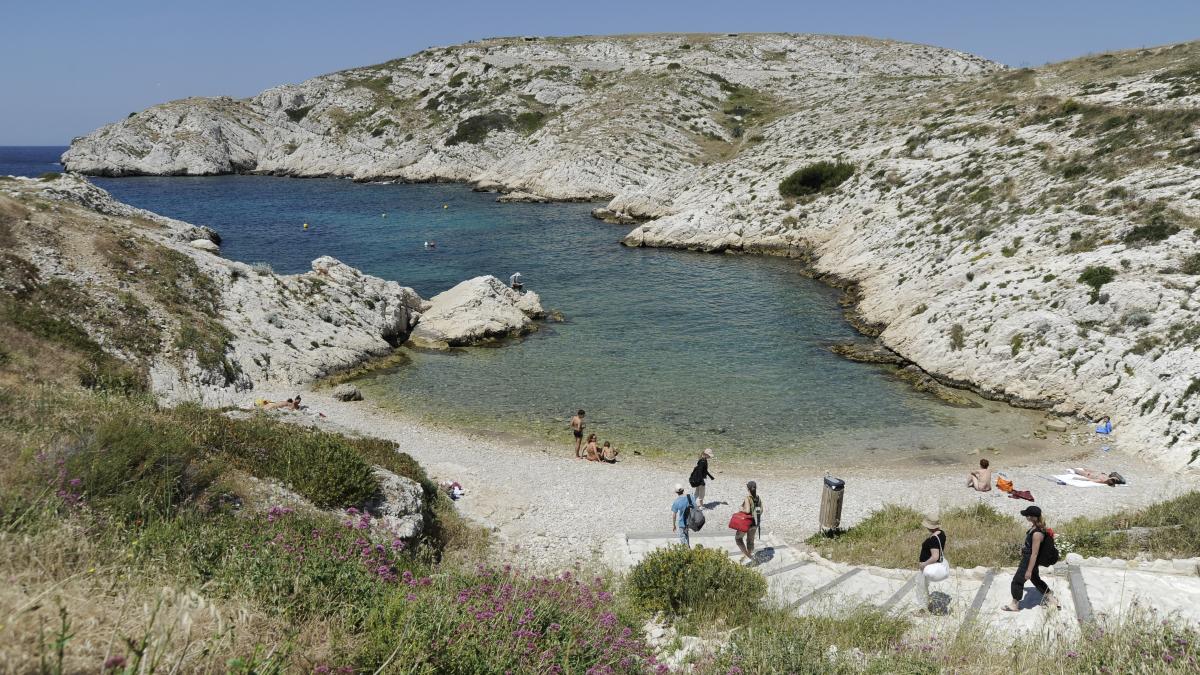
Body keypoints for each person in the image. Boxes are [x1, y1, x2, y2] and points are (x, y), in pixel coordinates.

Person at [1004, 505, 1059, 612]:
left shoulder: (1037, 533)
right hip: (1029, 558)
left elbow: (1034, 554)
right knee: (1035, 579)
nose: (1026, 517)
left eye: (1027, 515)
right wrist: (1024, 549)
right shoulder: (1036, 527)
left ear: (1033, 517)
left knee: (1017, 581)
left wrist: (1029, 570)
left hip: (1029, 560)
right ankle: (1051, 598)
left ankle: (1014, 605)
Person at [917, 516, 946, 606]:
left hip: (927, 566)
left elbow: (935, 556)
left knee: (921, 586)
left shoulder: (933, 539)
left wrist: (923, 565)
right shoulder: (941, 533)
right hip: (931, 565)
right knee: (924, 586)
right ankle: (927, 604)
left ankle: (923, 609)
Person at [734, 481, 763, 562]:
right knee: (750, 541)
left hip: (747, 523)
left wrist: (741, 509)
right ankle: (748, 553)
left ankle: (748, 556)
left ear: (748, 488)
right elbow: (761, 510)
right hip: (755, 523)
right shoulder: (758, 497)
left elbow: (747, 510)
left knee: (738, 539)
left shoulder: (748, 498)